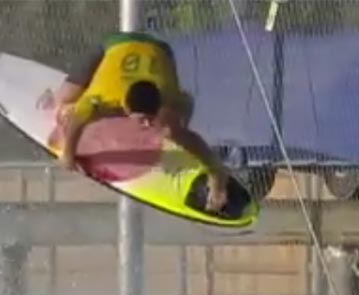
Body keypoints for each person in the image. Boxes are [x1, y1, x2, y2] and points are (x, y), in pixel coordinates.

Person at [50, 31, 229, 213]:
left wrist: (217, 177)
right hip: (114, 45)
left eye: (149, 120)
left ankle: (175, 126)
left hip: (160, 51)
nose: (144, 125)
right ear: (124, 108)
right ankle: (51, 97)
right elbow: (76, 122)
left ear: (159, 107)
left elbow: (188, 130)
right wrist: (68, 155)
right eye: (141, 120)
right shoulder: (103, 98)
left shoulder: (167, 97)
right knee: (63, 105)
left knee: (175, 123)